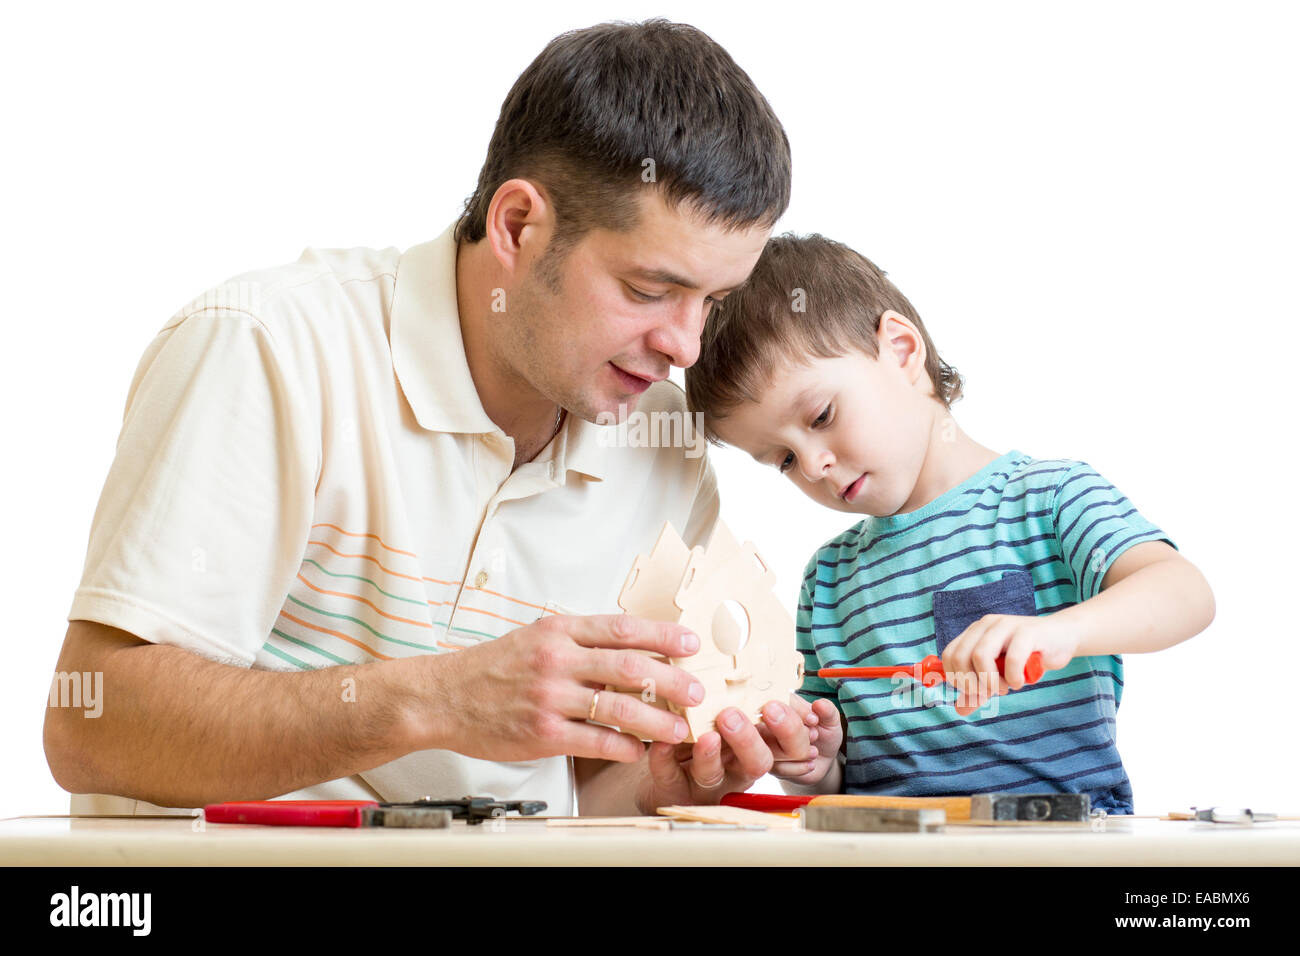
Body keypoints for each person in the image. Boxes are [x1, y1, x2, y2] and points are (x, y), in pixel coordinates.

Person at [43, 20, 818, 818]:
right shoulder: (269, 347)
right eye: (650, 291)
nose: (685, 348)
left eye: (712, 303)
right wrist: (434, 701)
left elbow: (580, 793)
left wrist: (657, 783)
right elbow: (91, 726)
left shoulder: (664, 444)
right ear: (518, 226)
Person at [684, 233, 1215, 813]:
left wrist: (1062, 632)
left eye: (821, 416)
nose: (812, 465)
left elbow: (1185, 593)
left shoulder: (1050, 498)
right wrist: (812, 764)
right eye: (782, 459)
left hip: (1058, 845)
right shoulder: (829, 579)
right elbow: (833, 778)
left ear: (904, 351)